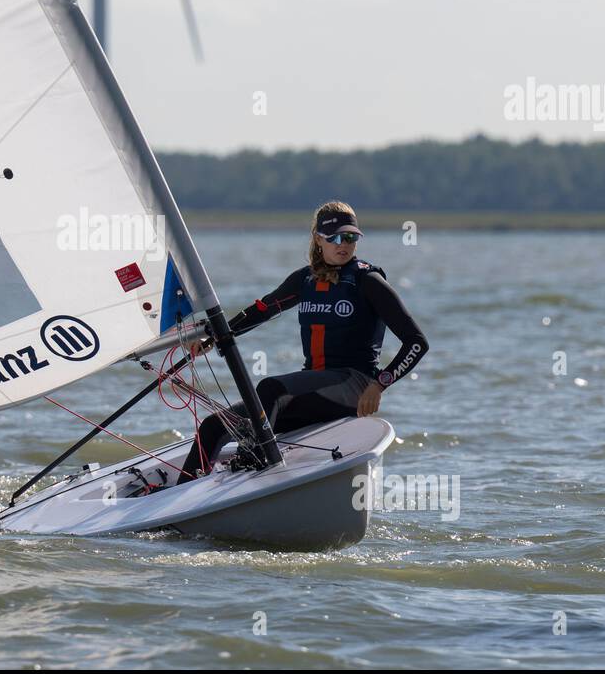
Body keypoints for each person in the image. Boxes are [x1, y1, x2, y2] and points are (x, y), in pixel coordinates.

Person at [178, 200, 428, 481]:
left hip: (353, 385)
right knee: (214, 426)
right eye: (334, 237)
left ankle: (256, 465)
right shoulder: (305, 281)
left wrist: (379, 384)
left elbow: (417, 342)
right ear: (318, 239)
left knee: (270, 388)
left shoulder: (367, 281)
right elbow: (262, 310)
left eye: (350, 237)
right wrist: (214, 335)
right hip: (312, 390)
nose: (343, 244)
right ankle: (173, 499)